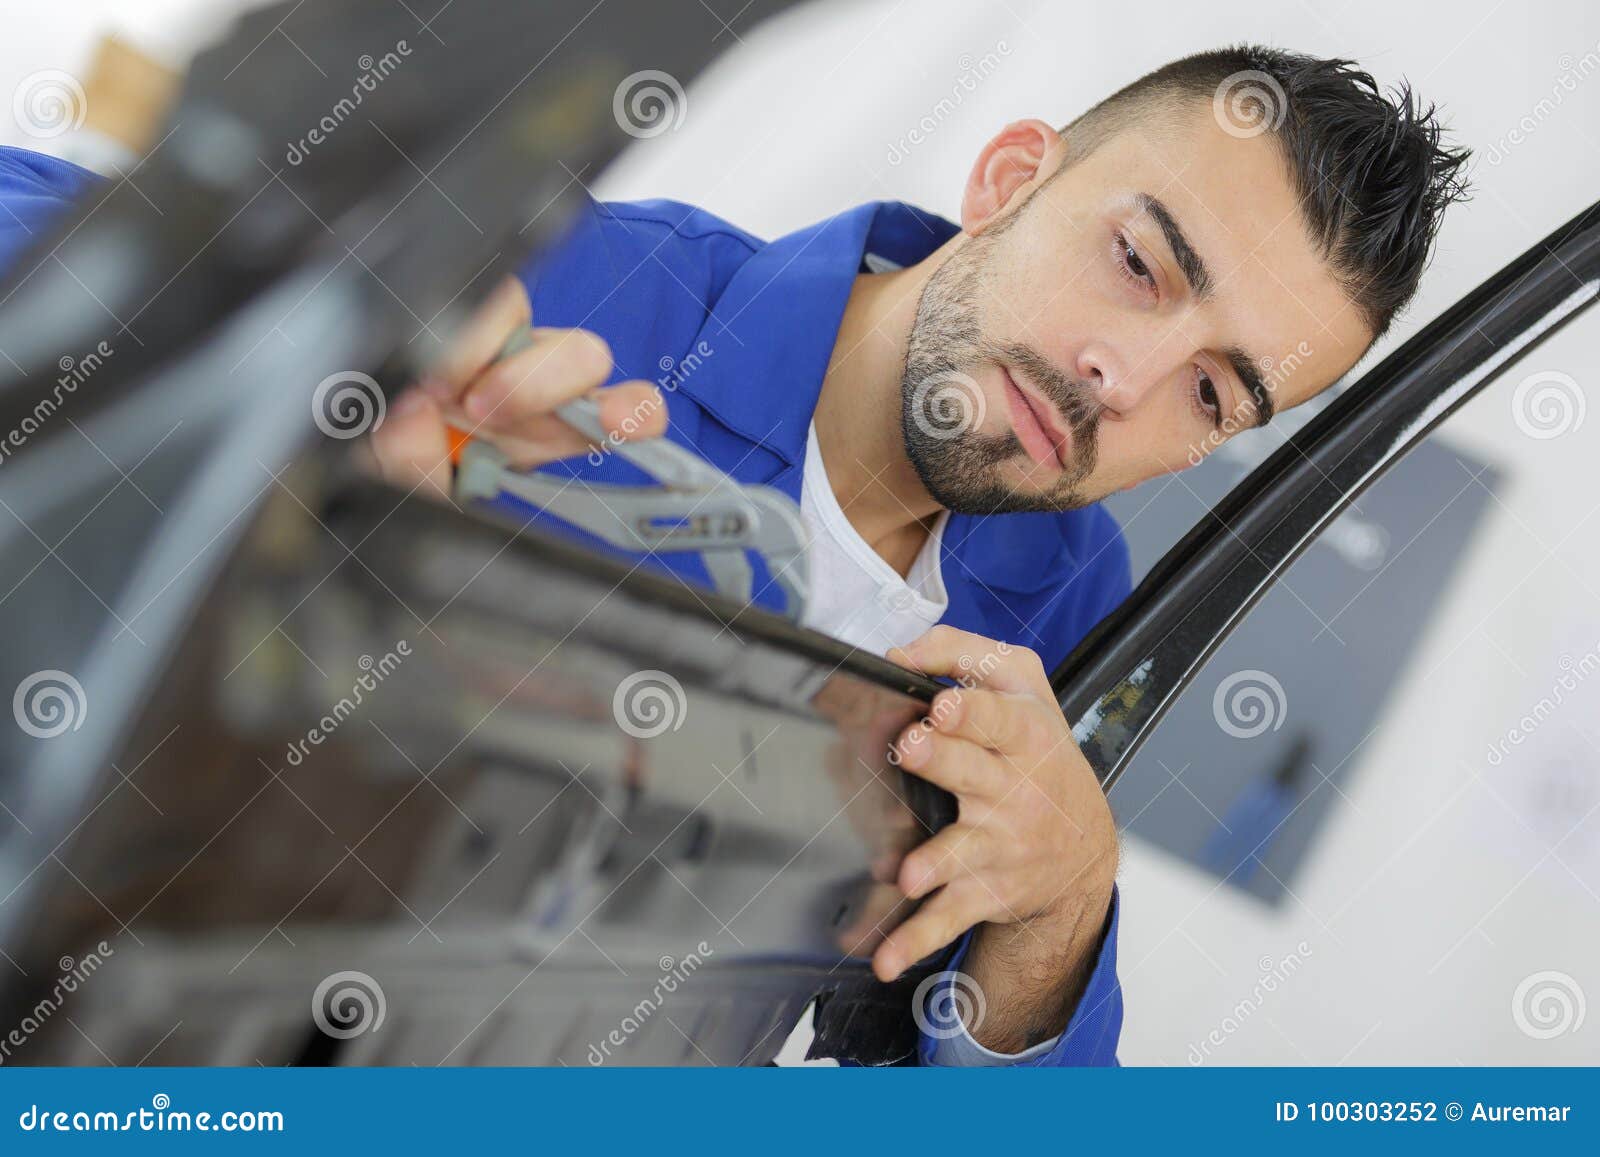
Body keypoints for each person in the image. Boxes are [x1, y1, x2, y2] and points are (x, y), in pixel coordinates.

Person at [3, 44, 1471, 1066]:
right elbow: (63, 270)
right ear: (1011, 177)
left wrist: (1063, 907)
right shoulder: (578, 283)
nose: (1120, 377)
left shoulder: (1062, 608)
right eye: (1140, 263)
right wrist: (286, 410)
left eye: (1214, 394)